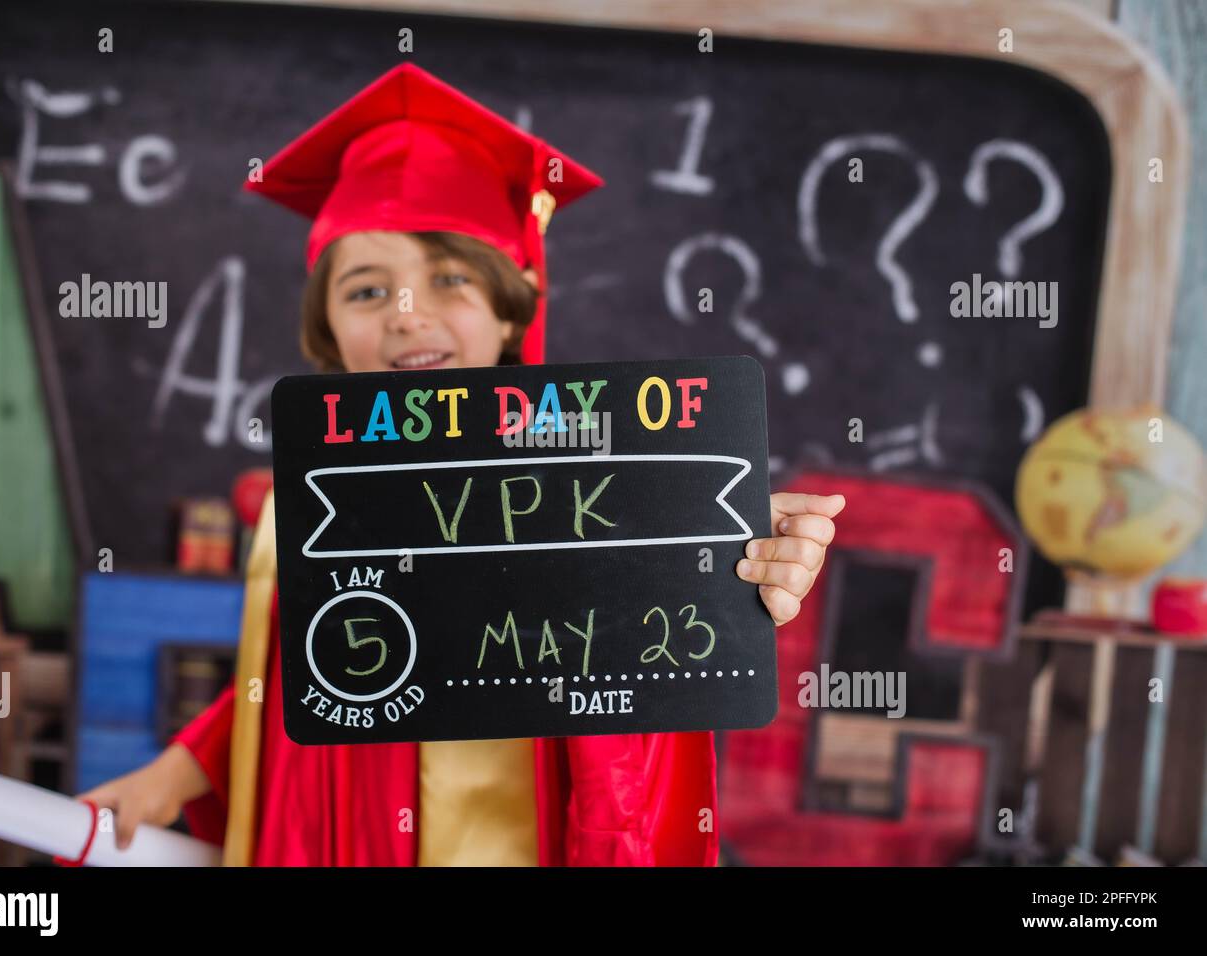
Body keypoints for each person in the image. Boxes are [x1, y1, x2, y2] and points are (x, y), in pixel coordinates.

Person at [82, 63, 845, 866]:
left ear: (512, 306)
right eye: (367, 292)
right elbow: (295, 685)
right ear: (327, 331)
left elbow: (641, 703)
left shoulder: (592, 487)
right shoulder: (303, 504)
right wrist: (177, 773)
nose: (409, 318)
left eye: (448, 278)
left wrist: (725, 576)